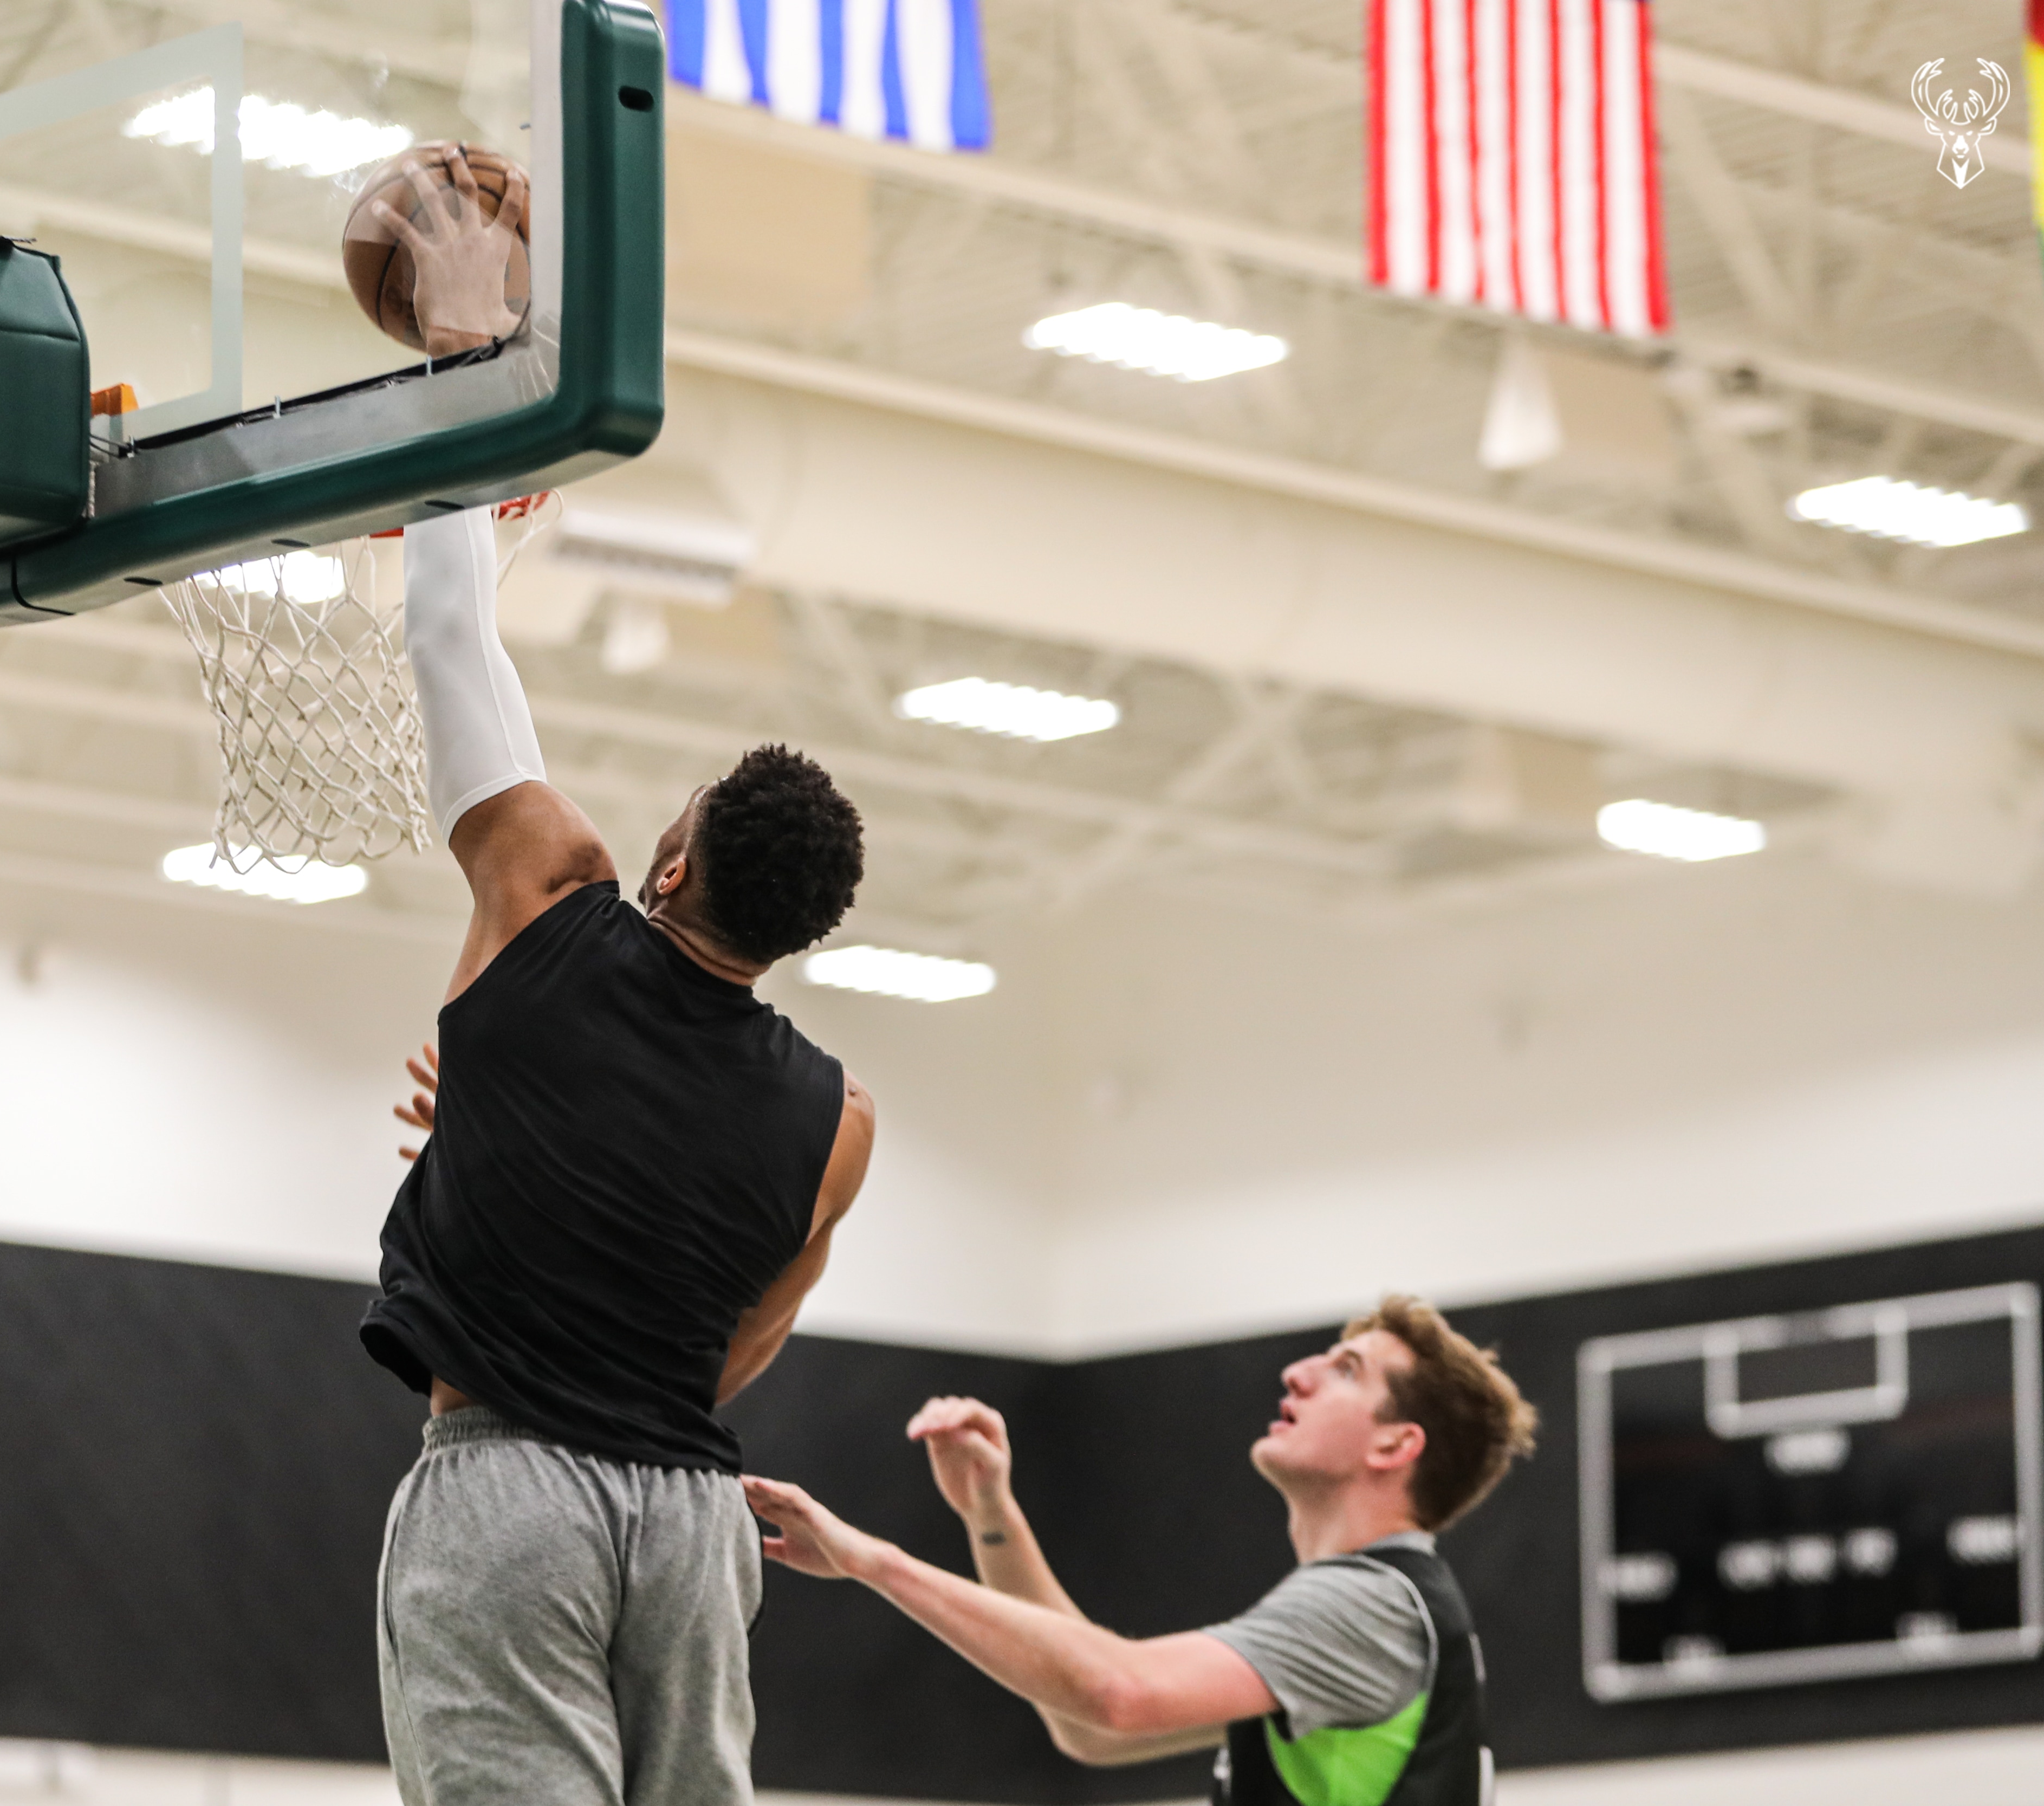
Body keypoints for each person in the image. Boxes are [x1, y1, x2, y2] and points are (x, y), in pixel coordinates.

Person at [359, 490, 876, 1806]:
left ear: (667, 864)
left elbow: (451, 640)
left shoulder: (545, 893)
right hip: (695, 1529)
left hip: (510, 1491)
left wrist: (460, 446)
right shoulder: (838, 1122)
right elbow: (730, 1352)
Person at [743, 1296, 1537, 1806]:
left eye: (1345, 1369)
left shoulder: (1367, 1604)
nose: (1296, 1373)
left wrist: (871, 1560)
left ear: (1398, 1442)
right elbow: (1092, 1729)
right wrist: (992, 1514)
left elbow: (1116, 1692)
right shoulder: (1383, 1611)